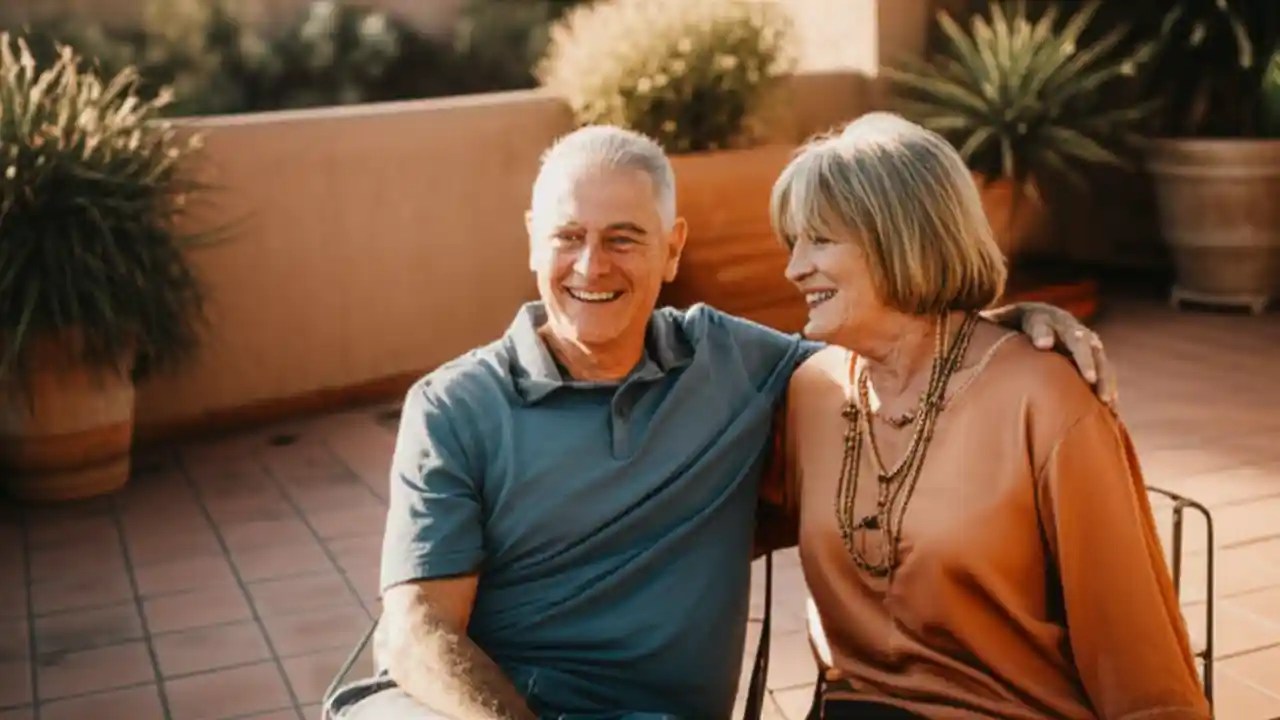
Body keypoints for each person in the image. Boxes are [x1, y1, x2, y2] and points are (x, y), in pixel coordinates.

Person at [330, 125, 1113, 720]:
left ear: (672, 250)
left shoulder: (736, 362)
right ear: (533, 238)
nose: (592, 267)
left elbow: (894, 344)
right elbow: (417, 631)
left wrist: (998, 322)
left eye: (623, 239)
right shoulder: (453, 405)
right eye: (568, 237)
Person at [765, 113, 1209, 720]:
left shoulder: (1044, 397)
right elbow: (704, 521)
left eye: (819, 239)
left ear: (903, 239)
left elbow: (1139, 660)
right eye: (792, 243)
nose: (793, 268)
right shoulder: (810, 392)